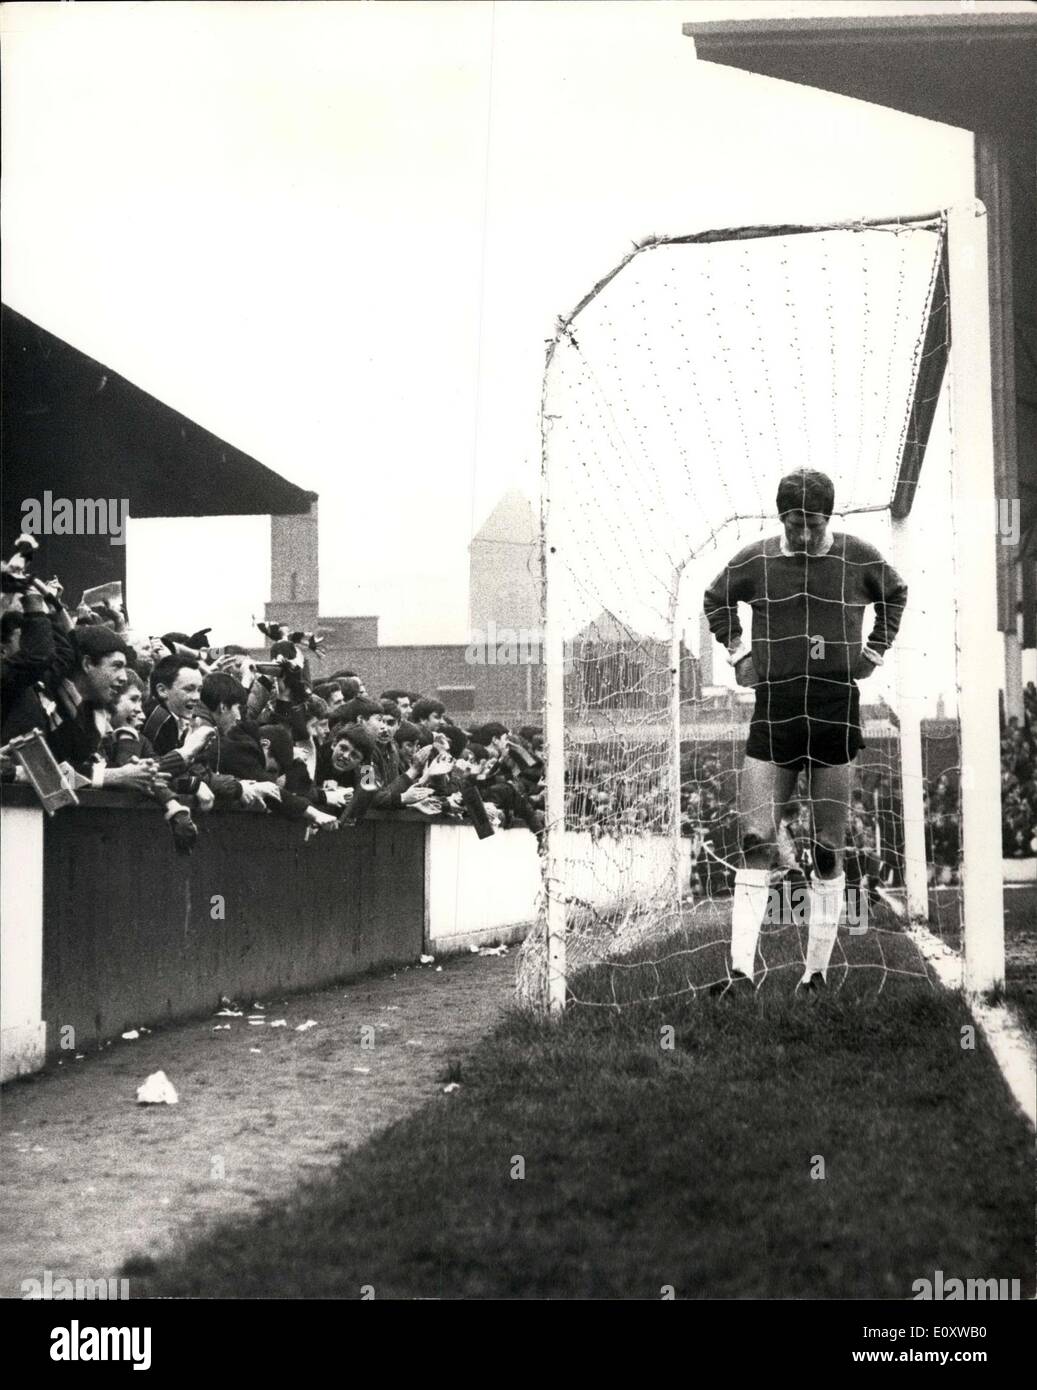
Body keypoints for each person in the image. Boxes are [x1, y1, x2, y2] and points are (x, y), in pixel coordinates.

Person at [703, 467, 908, 994]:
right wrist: (738, 650)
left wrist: (874, 650)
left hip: (835, 704)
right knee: (755, 838)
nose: (801, 534)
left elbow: (896, 592)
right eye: (792, 523)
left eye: (811, 523)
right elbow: (716, 596)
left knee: (827, 849)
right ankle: (740, 973)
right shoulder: (758, 559)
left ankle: (814, 973)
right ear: (781, 519)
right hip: (776, 706)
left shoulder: (858, 556)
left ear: (827, 518)